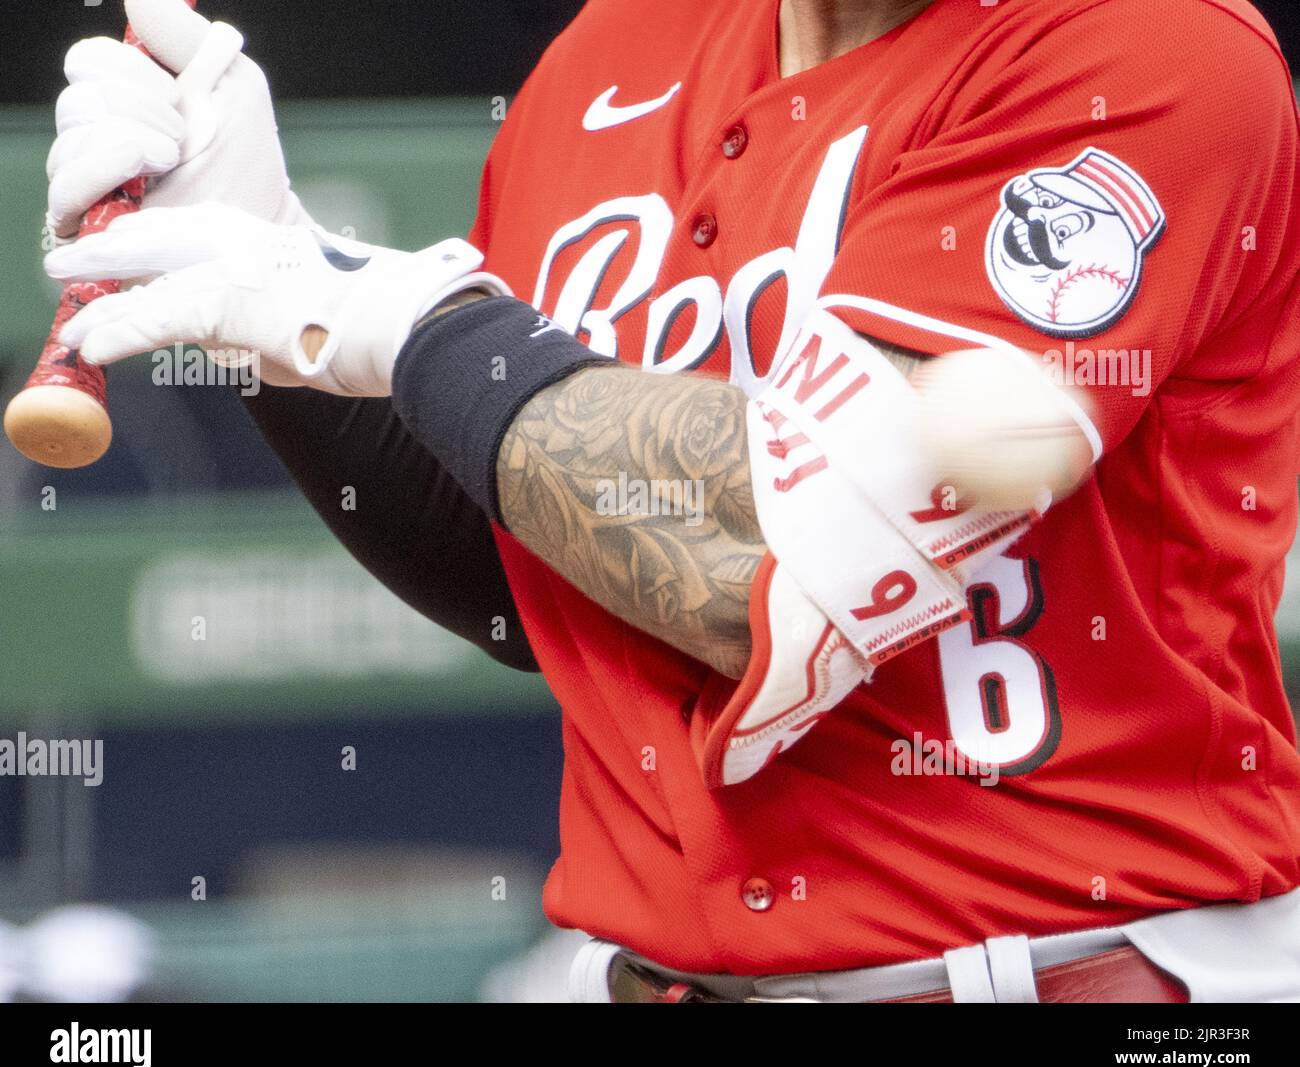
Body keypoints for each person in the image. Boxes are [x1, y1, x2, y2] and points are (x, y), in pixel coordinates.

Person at [42, 0, 1300, 1002]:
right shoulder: (611, 54)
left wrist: (392, 322)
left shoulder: (1145, 47)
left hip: (1076, 970)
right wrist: (271, 300)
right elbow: (545, 553)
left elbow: (781, 555)